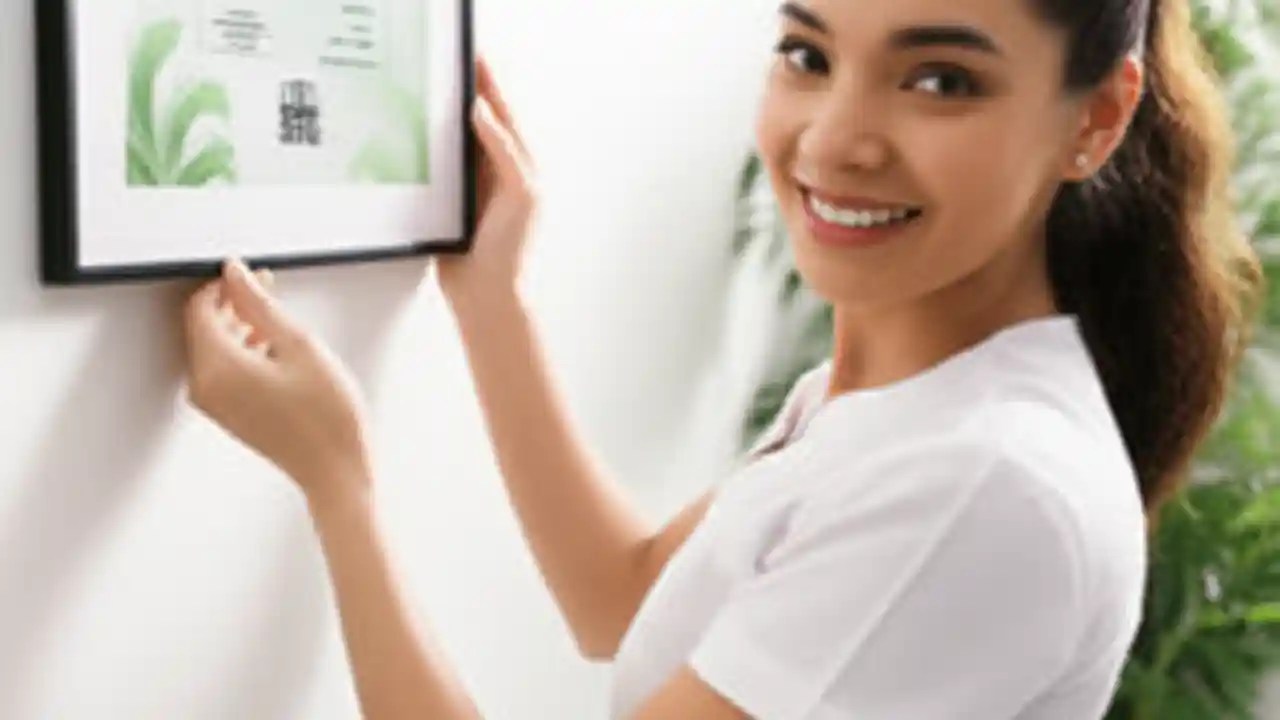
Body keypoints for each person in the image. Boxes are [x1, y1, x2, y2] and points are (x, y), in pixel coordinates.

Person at [180, 0, 1263, 716]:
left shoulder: (975, 477)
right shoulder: (905, 399)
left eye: (939, 81)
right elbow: (623, 598)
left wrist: (338, 481)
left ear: (1097, 118)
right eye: (807, 55)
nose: (833, 139)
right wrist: (491, 298)